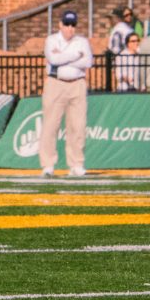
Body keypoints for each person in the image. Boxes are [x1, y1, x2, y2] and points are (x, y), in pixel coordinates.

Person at [41, 10, 93, 179]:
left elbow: (88, 62)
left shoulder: (82, 41)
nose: (70, 28)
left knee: (77, 126)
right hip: (56, 83)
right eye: (67, 24)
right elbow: (53, 60)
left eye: (73, 25)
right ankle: (48, 165)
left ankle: (76, 164)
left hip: (77, 83)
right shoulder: (51, 40)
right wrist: (75, 56)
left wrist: (64, 57)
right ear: (60, 25)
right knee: (50, 125)